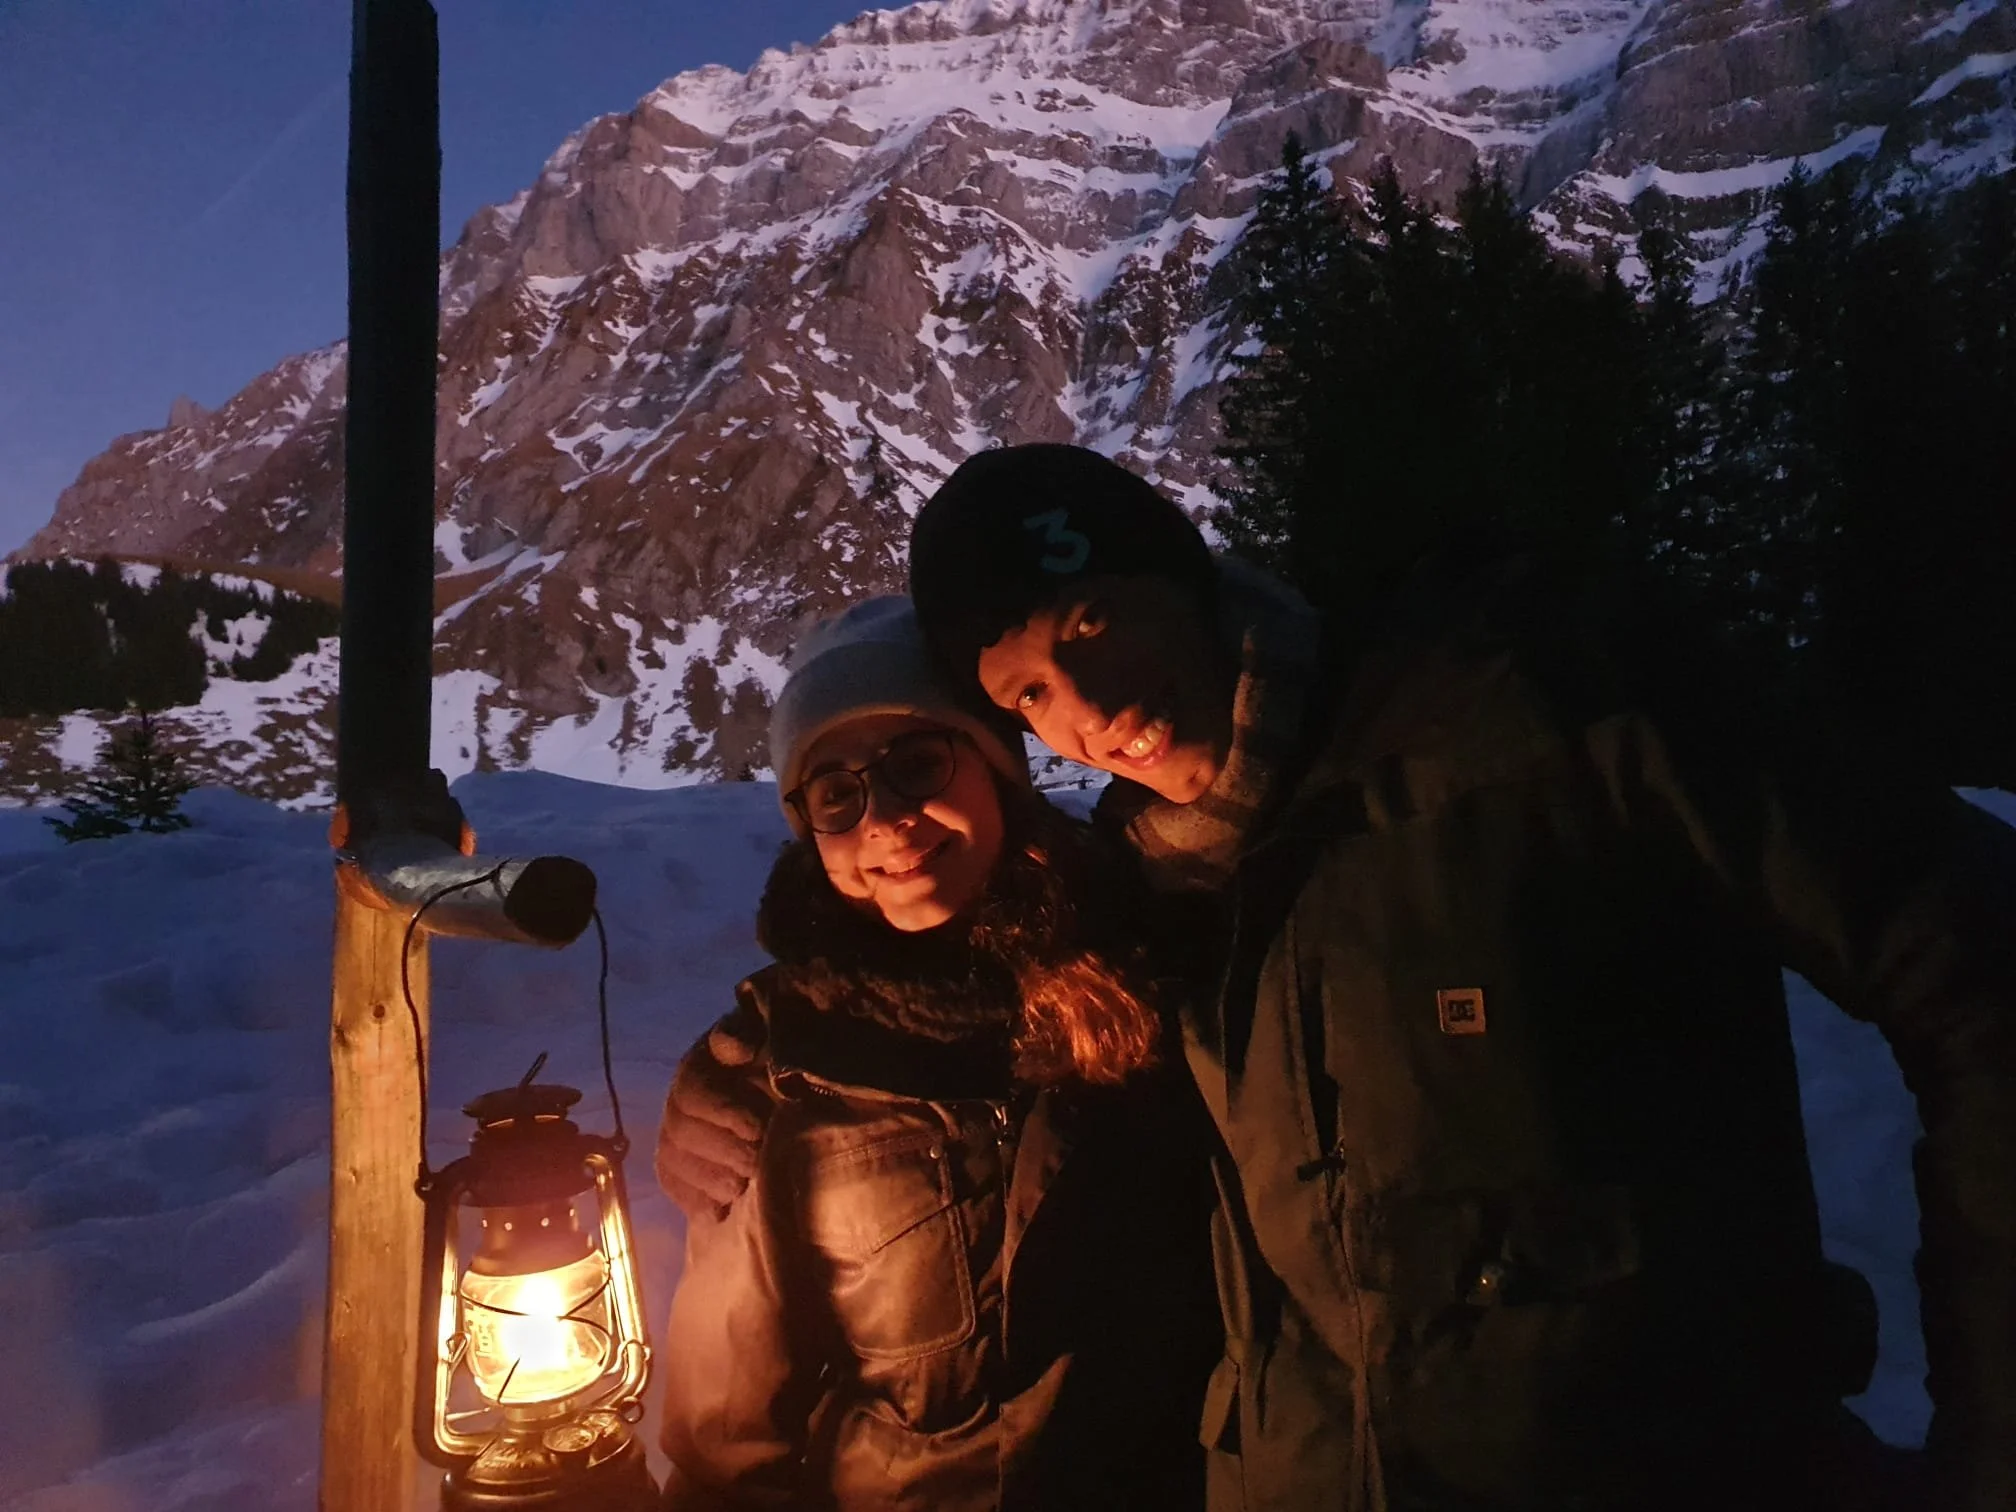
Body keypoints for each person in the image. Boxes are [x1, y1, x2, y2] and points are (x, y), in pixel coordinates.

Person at [662, 447, 2016, 1511]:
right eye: (1028, 692)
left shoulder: (1537, 719)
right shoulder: (1161, 905)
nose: (1090, 703)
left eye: (1094, 618)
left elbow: (1968, 953)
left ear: (1180, 571)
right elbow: (942, 985)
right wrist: (737, 1069)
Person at [654, 595, 1222, 1512]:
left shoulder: (1152, 979)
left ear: (996, 770)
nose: (884, 819)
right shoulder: (784, 1076)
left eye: (917, 765)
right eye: (836, 794)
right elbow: (728, 1451)